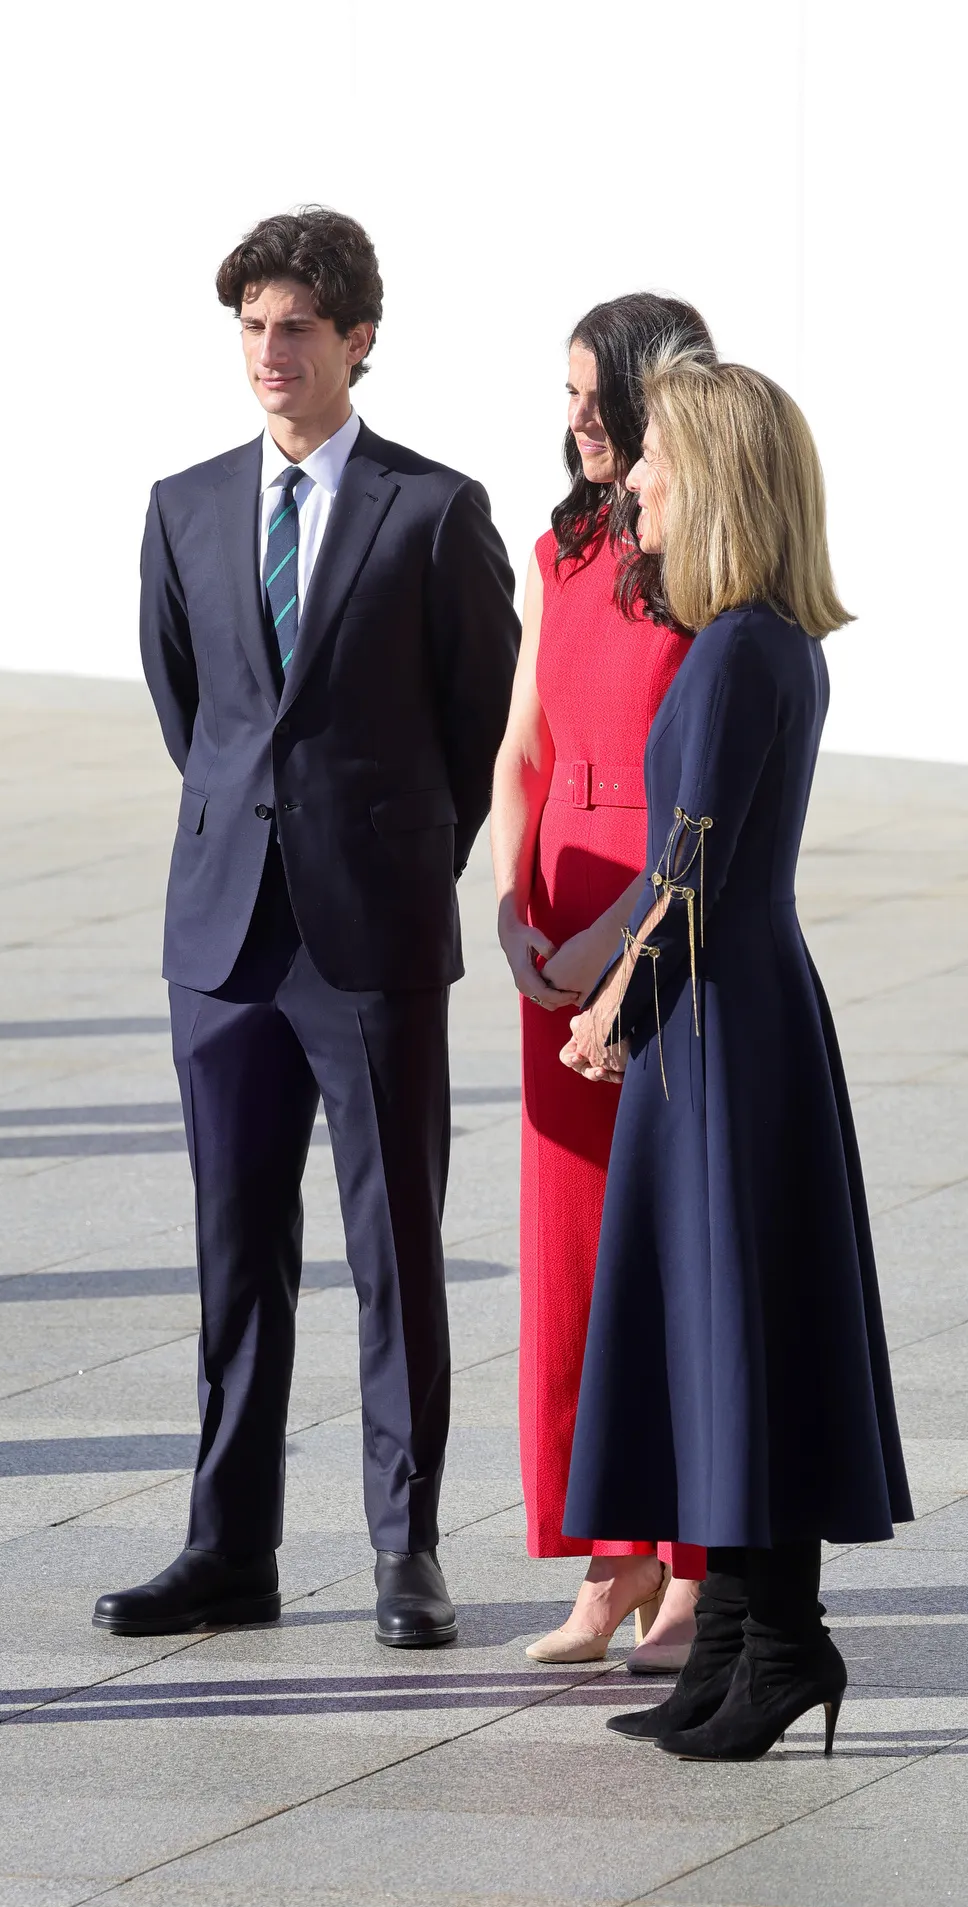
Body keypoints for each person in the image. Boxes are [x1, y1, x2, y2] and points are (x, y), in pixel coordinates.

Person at [94, 207, 521, 1648]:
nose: (269, 354)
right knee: (236, 1255)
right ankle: (230, 1551)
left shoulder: (435, 510)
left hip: (371, 938)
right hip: (223, 947)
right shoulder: (184, 504)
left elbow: (475, 732)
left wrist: (396, 860)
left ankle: (408, 1552)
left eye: (296, 330)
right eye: (252, 329)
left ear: (358, 343)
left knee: (396, 1248)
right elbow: (194, 713)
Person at [560, 352, 912, 1759]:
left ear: (702, 477)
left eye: (651, 460)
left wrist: (614, 1011)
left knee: (736, 1326)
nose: (631, 478)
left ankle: (778, 1647)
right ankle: (741, 1645)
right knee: (724, 1328)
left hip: (718, 1023)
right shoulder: (765, 644)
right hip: (735, 1016)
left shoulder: (734, 653)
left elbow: (689, 873)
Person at [489, 296, 713, 1673]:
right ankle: (607, 1556)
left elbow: (699, 794)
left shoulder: (702, 554)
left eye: (598, 396)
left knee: (670, 1251)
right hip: (556, 908)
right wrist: (512, 901)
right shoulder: (562, 547)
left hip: (659, 919)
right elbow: (523, 736)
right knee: (570, 1257)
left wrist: (613, 949)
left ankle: (694, 1567)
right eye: (566, 394)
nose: (577, 419)